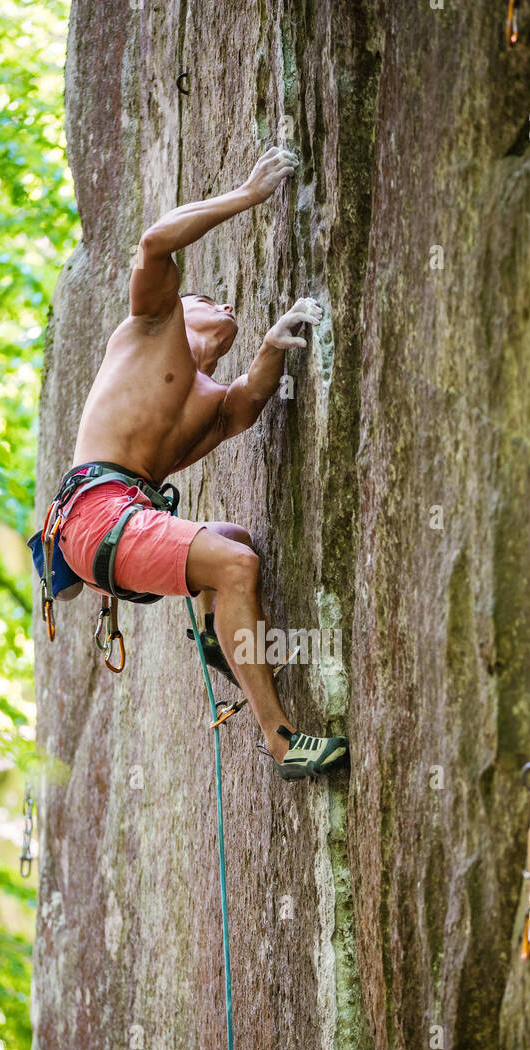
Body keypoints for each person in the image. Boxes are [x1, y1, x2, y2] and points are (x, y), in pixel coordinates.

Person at [58, 147, 349, 781]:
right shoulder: (148, 325)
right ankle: (282, 741)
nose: (225, 306)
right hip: (96, 514)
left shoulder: (212, 403)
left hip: (116, 523)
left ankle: (220, 634)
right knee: (237, 564)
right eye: (208, 296)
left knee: (235, 544)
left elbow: (247, 404)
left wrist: (272, 346)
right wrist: (245, 195)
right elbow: (156, 241)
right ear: (180, 305)